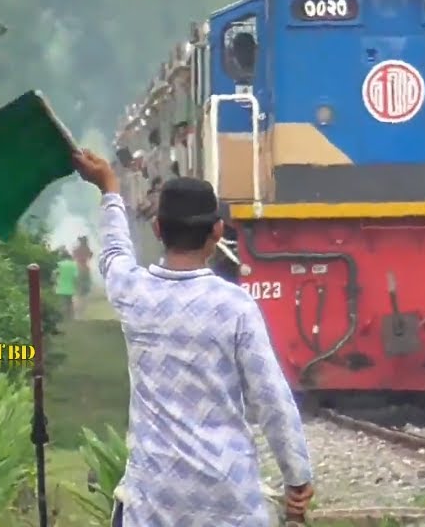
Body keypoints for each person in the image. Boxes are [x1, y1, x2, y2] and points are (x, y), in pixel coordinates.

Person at [71, 149, 315, 527]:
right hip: (229, 502)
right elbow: (272, 400)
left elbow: (115, 252)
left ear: (157, 230)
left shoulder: (135, 293)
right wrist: (296, 476)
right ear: (217, 231)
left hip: (154, 503)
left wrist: (110, 189)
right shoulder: (236, 307)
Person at [55, 254, 78, 320]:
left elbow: (55, 274)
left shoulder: (59, 264)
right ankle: (71, 317)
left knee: (63, 303)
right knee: (70, 302)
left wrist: (55, 282)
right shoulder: (73, 265)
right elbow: (76, 277)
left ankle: (64, 318)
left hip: (61, 287)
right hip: (70, 287)